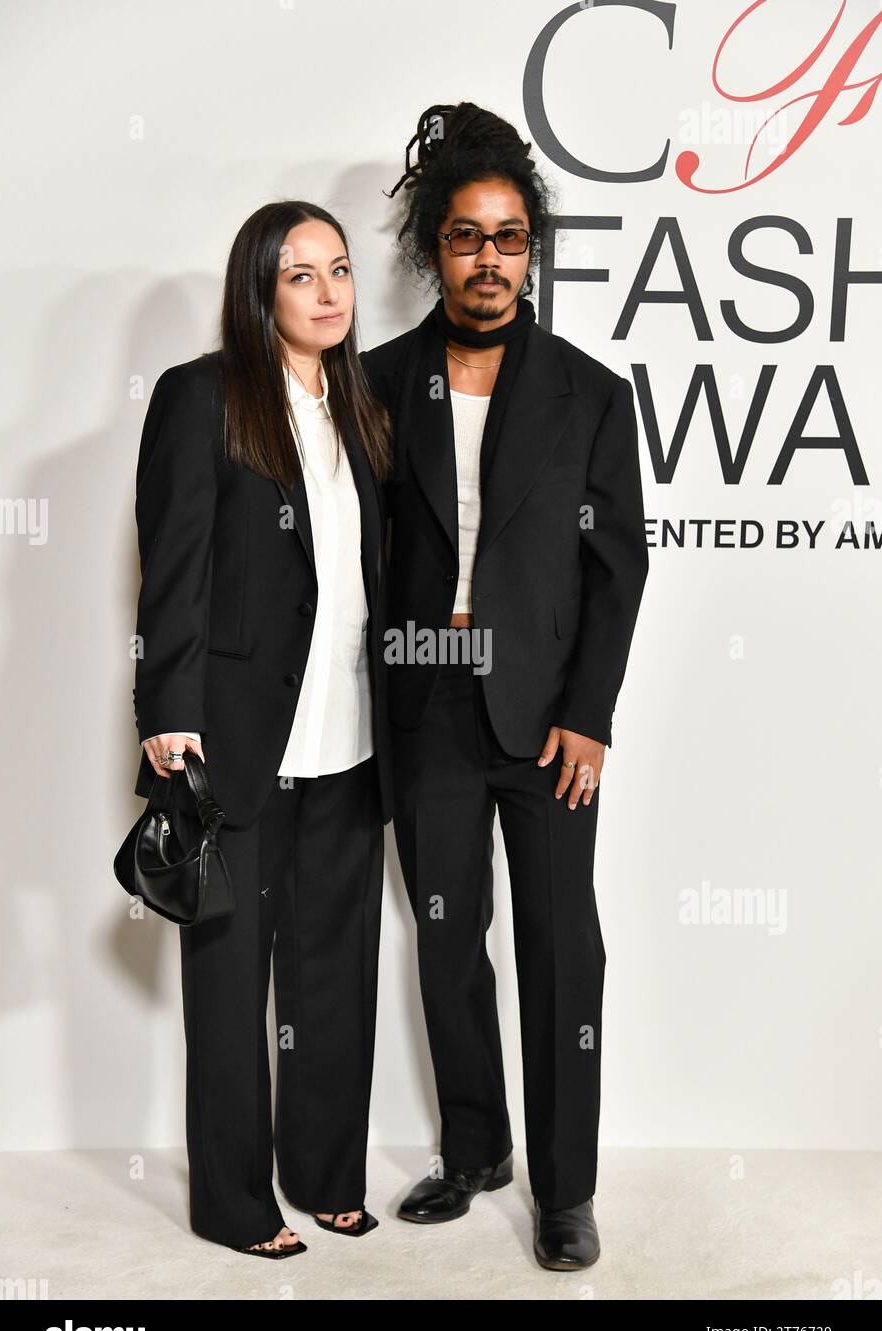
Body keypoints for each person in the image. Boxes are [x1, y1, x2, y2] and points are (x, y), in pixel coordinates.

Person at [360, 103, 649, 1271]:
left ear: (533, 250)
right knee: (444, 941)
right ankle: (475, 1148)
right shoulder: (374, 384)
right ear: (435, 247)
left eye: (512, 237)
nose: (491, 258)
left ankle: (564, 1189)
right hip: (427, 707)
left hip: (545, 725)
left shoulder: (589, 392)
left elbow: (617, 566)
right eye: (470, 237)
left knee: (560, 951)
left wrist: (589, 714)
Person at [130, 201, 393, 1257]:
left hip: (350, 738)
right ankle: (233, 1202)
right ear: (260, 290)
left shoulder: (359, 405)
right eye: (302, 276)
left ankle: (328, 1173)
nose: (329, 293)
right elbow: (172, 570)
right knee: (230, 982)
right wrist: (169, 715)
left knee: (335, 970)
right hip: (236, 741)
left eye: (340, 271)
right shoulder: (202, 398)